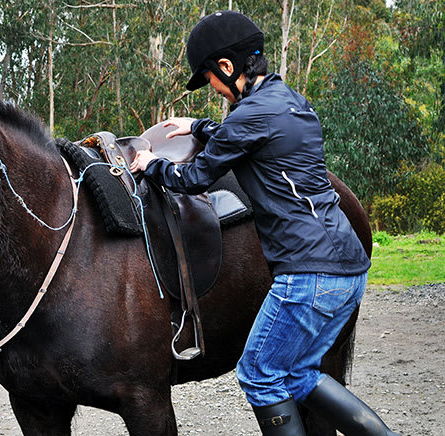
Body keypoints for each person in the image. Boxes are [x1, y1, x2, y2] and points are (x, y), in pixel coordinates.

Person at [130, 11, 399, 436]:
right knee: (300, 376)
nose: (214, 90)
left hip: (307, 275)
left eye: (211, 79)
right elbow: (245, 133)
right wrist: (195, 125)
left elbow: (194, 177)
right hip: (347, 268)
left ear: (226, 67)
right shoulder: (290, 101)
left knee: (258, 372)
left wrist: (151, 163)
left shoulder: (248, 117)